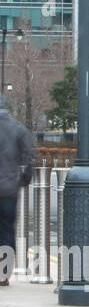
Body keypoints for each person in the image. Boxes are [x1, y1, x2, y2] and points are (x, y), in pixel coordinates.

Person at [0, 94, 36, 288]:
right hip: (8, 189)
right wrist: (23, 180)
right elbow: (29, 158)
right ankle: (3, 273)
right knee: (6, 229)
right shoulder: (18, 129)